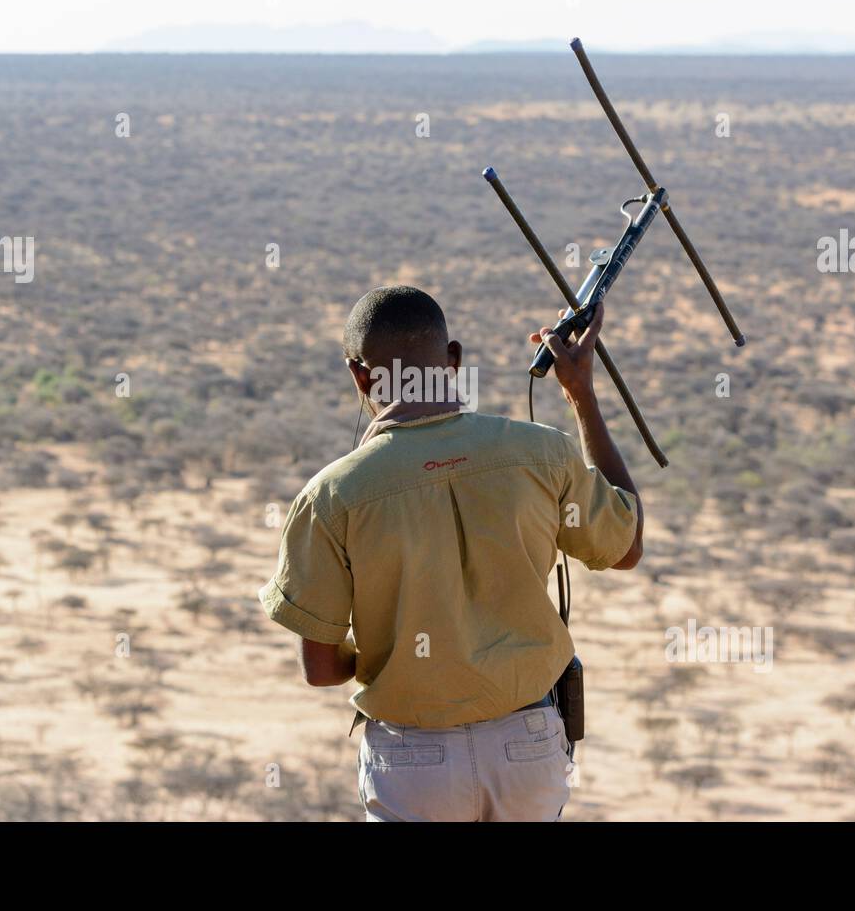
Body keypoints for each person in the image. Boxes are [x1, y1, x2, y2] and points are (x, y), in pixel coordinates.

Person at [258, 285, 642, 821]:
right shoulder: (541, 453)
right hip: (527, 747)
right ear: (454, 360)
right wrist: (581, 394)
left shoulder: (330, 499)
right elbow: (626, 547)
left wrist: (386, 655)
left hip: (413, 762)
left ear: (359, 376)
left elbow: (321, 669)